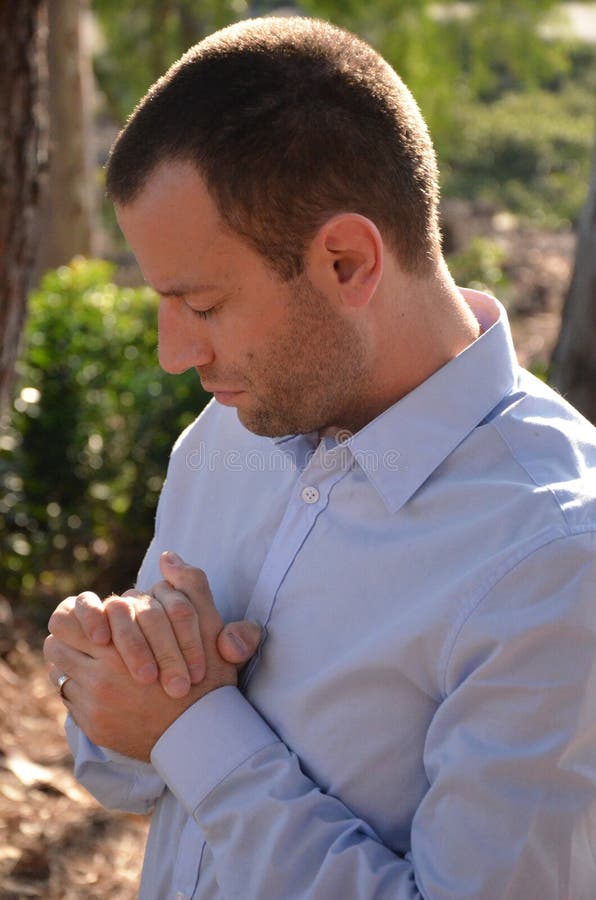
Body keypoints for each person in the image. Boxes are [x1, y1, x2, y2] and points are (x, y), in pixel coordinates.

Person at [43, 15, 596, 900]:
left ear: (347, 262)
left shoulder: (556, 558)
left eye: (204, 304)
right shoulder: (228, 437)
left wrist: (197, 731)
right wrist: (110, 679)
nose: (171, 352)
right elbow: (126, 773)